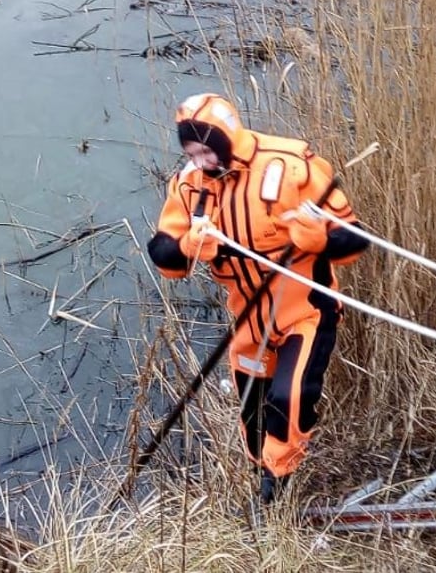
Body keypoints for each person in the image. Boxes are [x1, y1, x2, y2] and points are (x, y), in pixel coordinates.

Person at [146, 93, 368, 503]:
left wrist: (319, 239)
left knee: (289, 397)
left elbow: (354, 239)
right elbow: (162, 253)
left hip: (306, 310)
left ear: (227, 139)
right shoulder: (190, 186)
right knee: (254, 409)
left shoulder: (291, 166)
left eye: (207, 151)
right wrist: (190, 245)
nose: (201, 162)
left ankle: (277, 485)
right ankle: (261, 470)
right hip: (247, 319)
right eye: (192, 154)